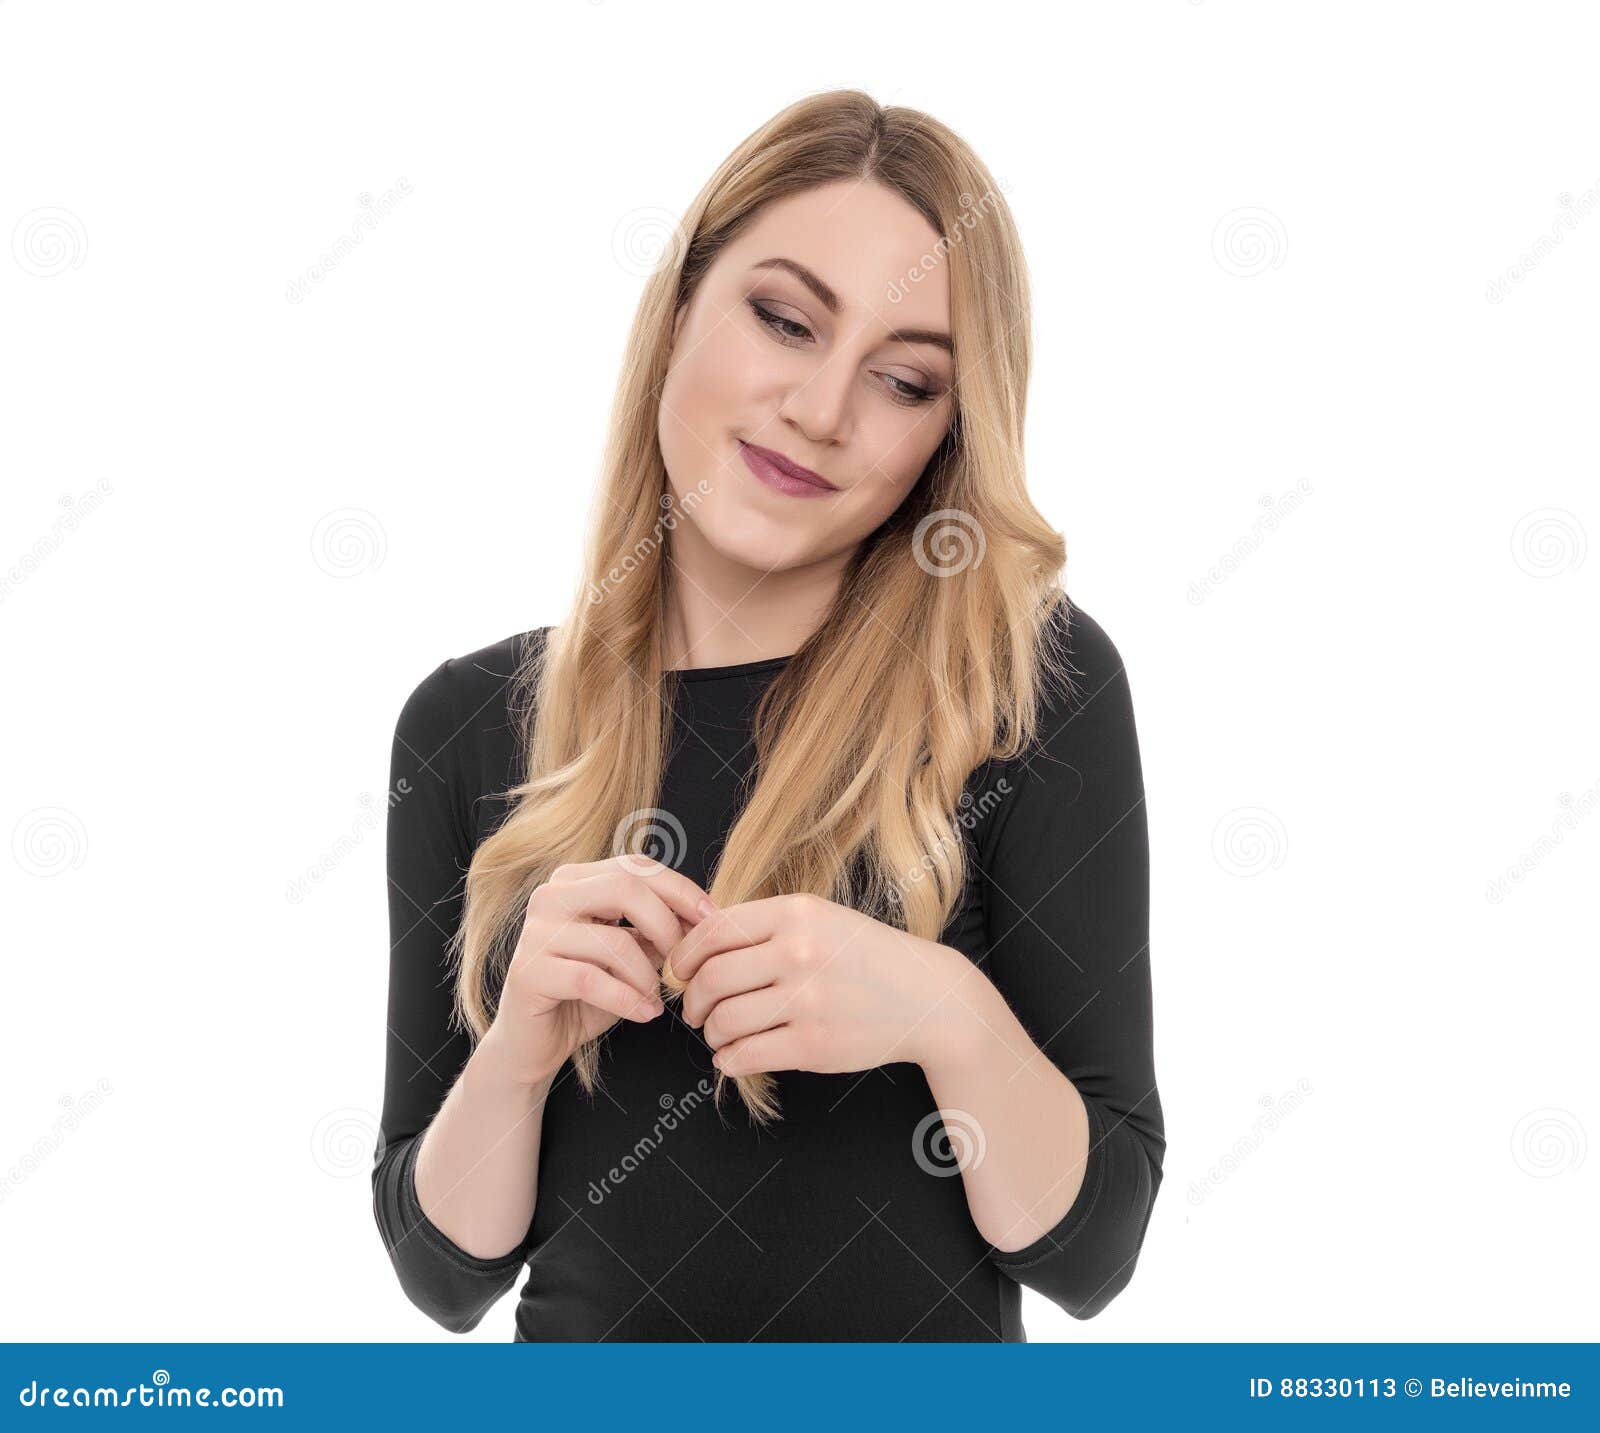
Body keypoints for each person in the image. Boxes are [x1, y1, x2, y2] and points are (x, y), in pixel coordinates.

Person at [372, 88, 1163, 1342]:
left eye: (904, 379)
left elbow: (1093, 1252)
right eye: (785, 320)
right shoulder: (469, 720)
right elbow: (443, 1275)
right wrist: (520, 1040)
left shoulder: (1028, 687)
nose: (822, 410)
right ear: (682, 306)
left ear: (946, 437)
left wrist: (940, 1009)